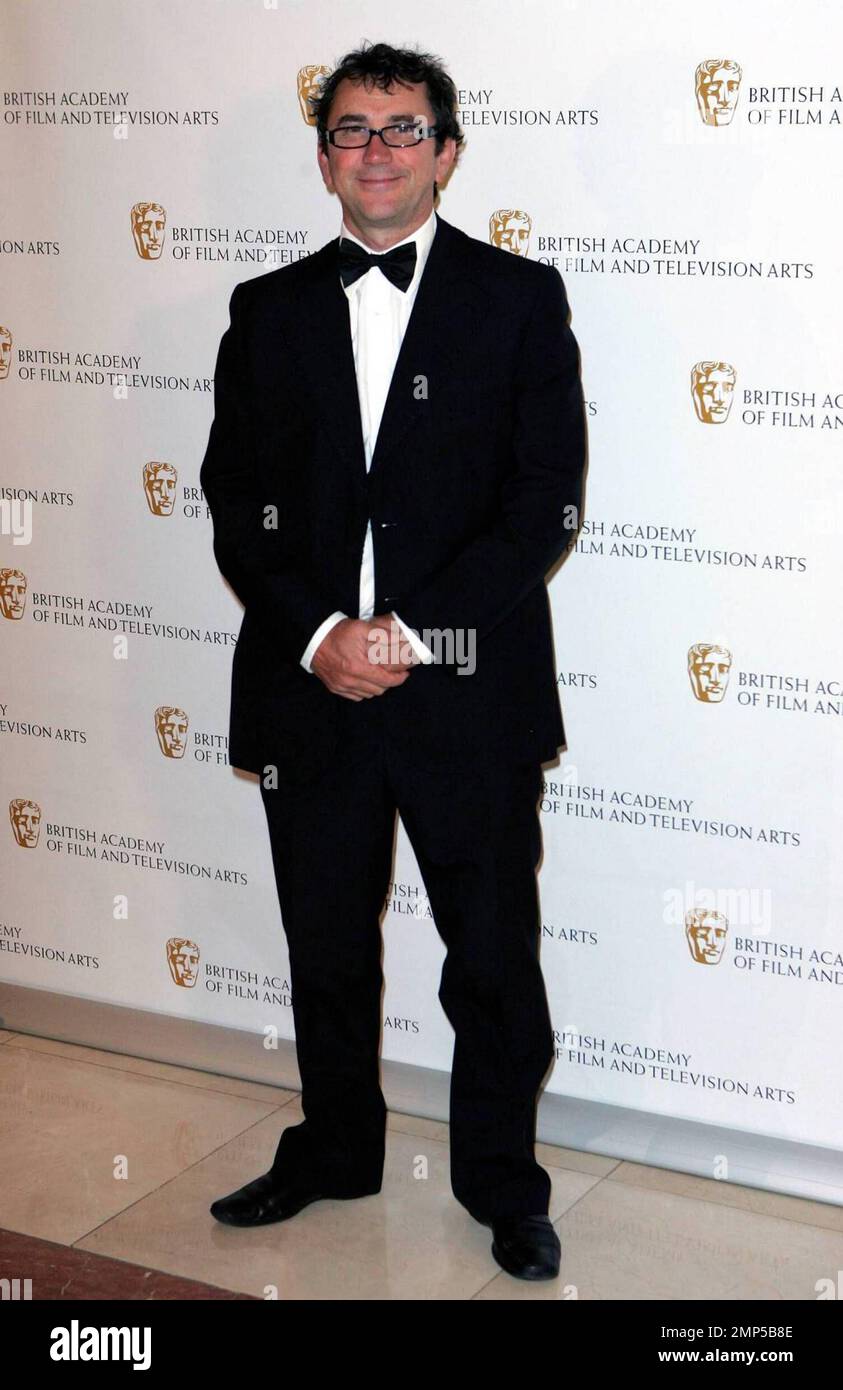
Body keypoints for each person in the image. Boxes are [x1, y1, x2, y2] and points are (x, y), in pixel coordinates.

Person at [200, 40, 587, 1282]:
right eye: (353, 129)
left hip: (464, 677)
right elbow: (234, 498)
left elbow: (541, 505)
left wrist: (406, 636)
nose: (376, 149)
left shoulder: (521, 300)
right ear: (324, 159)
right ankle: (334, 1149)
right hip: (311, 685)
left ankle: (500, 1184)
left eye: (402, 128)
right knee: (324, 942)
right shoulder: (265, 313)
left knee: (491, 952)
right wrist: (322, 636)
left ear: (448, 152)